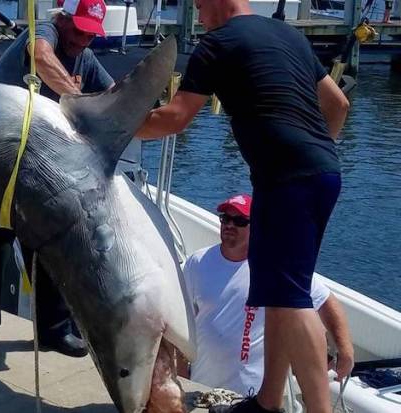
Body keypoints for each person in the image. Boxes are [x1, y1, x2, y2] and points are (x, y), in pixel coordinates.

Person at [134, 0, 351, 411]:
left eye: (199, 5)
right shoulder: (289, 35)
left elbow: (176, 117)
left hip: (288, 180)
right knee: (275, 290)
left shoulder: (218, 44)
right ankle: (268, 401)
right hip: (316, 174)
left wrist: (115, 127)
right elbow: (338, 104)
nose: (198, 16)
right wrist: (318, 151)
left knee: (292, 297)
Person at [0, 0, 114, 361]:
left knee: (49, 249)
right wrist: (79, 101)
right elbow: (42, 56)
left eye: (91, 35)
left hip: (42, 170)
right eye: (78, 30)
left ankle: (53, 328)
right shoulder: (41, 33)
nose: (83, 40)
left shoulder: (85, 57)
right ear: (62, 20)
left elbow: (112, 94)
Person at [179, 194, 353, 399]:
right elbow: (181, 322)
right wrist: (181, 379)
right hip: (202, 389)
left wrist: (344, 348)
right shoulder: (197, 263)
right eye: (225, 218)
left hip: (253, 397)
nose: (229, 225)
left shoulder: (276, 266)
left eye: (240, 221)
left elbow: (324, 301)